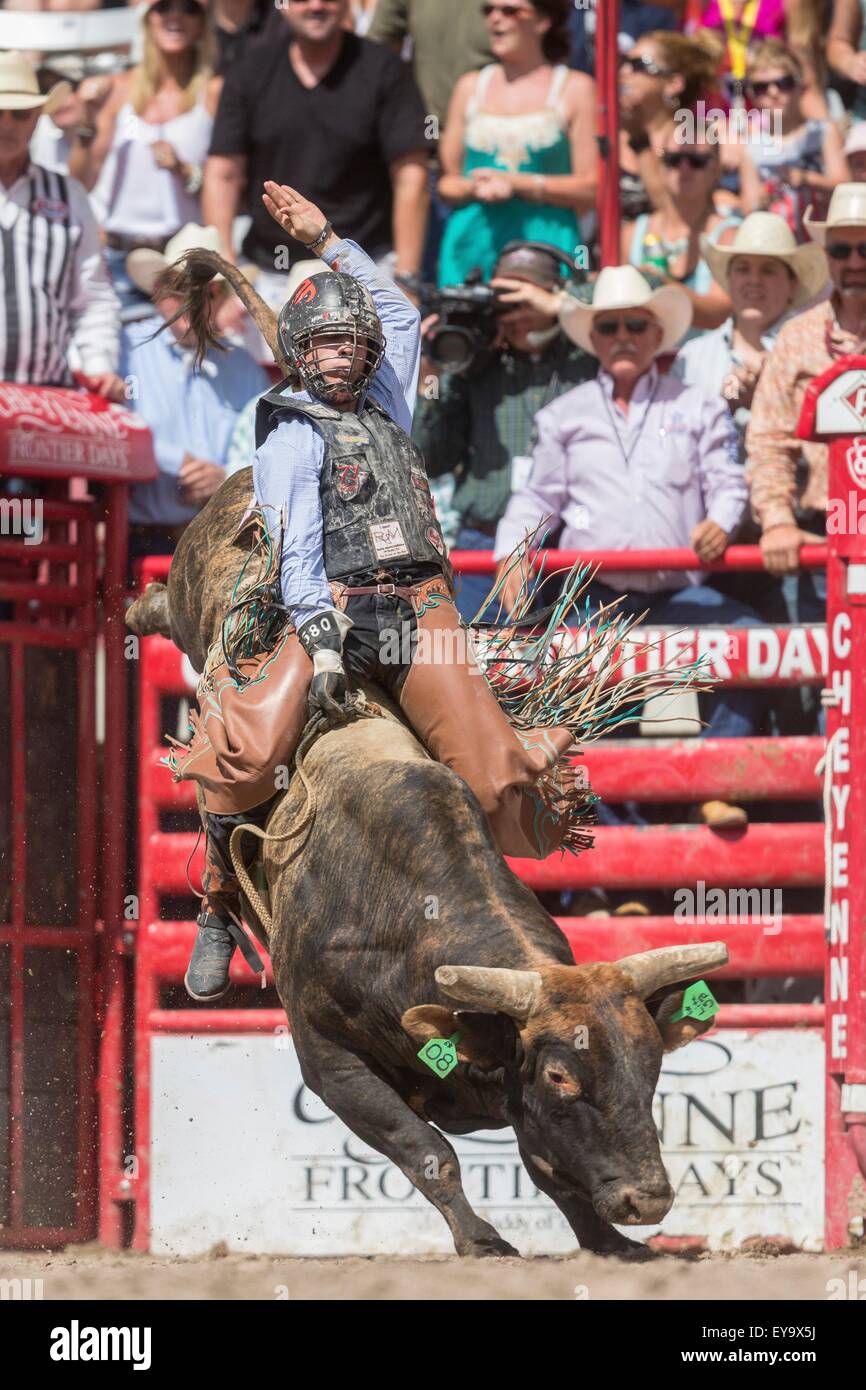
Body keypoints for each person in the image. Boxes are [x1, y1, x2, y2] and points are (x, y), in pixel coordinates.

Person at [173, 182, 582, 1001]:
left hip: (421, 608)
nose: (346, 358)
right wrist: (321, 637)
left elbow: (396, 316)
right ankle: (217, 901)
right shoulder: (288, 432)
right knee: (248, 749)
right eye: (327, 346)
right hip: (337, 604)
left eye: (353, 348)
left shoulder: (387, 397)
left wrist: (327, 236)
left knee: (501, 785)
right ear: (300, 350)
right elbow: (292, 545)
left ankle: (515, 756)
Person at [495, 265, 763, 830]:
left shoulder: (698, 406)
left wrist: (722, 520)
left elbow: (728, 482)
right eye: (610, 325)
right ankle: (614, 841)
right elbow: (537, 496)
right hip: (601, 601)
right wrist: (512, 552)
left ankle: (714, 783)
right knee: (573, 699)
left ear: (657, 335)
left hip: (676, 598)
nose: (622, 336)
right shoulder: (563, 415)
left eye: (635, 326)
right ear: (593, 338)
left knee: (756, 644)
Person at [203, 0, 430, 310]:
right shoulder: (248, 71)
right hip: (270, 273)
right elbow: (222, 174)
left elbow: (411, 177)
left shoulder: (385, 69)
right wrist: (225, 275)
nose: (316, 5)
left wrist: (406, 278)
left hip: (363, 268)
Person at [412, 240, 594, 622]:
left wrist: (564, 305)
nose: (517, 314)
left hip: (567, 543)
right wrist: (432, 375)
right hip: (484, 541)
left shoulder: (590, 354)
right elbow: (431, 458)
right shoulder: (478, 366)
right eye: (506, 303)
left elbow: (626, 301)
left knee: (578, 666)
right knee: (474, 666)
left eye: (526, 299)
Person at [746, 182, 866, 619]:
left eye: (865, 249)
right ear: (827, 256)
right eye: (841, 250)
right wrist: (778, 519)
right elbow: (768, 438)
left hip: (834, 536)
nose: (854, 262)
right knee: (827, 681)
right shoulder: (798, 336)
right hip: (825, 537)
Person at [122, 223, 270, 560]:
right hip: (141, 538)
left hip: (224, 544)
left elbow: (267, 450)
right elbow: (108, 424)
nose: (190, 301)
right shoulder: (126, 350)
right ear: (159, 291)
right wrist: (176, 461)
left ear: (219, 297)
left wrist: (225, 479)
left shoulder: (246, 369)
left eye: (204, 290)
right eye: (179, 288)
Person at [68, 0, 221, 323]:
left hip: (183, 259)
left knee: (183, 367)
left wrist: (185, 171)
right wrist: (85, 125)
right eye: (163, 6)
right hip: (118, 259)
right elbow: (80, 183)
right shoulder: (117, 90)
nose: (175, 16)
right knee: (116, 366)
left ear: (203, 22)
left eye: (189, 8)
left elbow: (231, 186)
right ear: (148, 18)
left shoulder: (214, 93)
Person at [436, 0, 596, 287]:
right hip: (471, 247)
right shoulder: (470, 86)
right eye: (489, 10)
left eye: (510, 10)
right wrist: (474, 187)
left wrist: (516, 183)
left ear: (543, 20)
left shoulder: (575, 87)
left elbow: (590, 188)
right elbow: (447, 184)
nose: (495, 19)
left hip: (547, 248)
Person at [0, 51, 122, 397]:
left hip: (46, 398)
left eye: (19, 113)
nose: (7, 124)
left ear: (38, 117)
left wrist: (98, 365)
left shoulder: (68, 196)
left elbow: (92, 296)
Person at [624, 131, 741, 333]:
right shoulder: (632, 233)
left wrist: (663, 287)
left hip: (705, 360)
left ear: (716, 170)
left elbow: (721, 313)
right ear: (660, 167)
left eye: (696, 161)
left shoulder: (729, 235)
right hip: (644, 360)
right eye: (673, 160)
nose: (684, 168)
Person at [738, 41, 848, 237]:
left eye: (783, 83)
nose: (773, 93)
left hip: (821, 243)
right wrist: (761, 199)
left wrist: (806, 179)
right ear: (751, 95)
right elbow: (748, 205)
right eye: (762, 87)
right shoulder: (752, 146)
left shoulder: (822, 131)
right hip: (776, 244)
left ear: (800, 86)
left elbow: (845, 186)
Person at [618, 30, 721, 222]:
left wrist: (640, 140)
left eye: (638, 65)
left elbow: (673, 210)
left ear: (673, 83)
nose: (624, 72)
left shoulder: (692, 143)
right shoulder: (608, 133)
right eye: (624, 62)